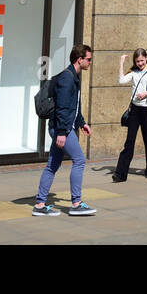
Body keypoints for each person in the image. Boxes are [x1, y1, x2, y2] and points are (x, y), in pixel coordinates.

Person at [32, 44, 95, 216]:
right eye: (88, 59)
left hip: (63, 127)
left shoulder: (74, 76)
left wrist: (82, 123)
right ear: (79, 59)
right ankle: (76, 203)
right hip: (62, 129)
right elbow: (62, 107)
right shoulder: (67, 78)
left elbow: (74, 105)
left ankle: (39, 205)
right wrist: (61, 132)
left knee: (53, 164)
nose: (90, 62)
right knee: (80, 160)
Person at [112, 48, 147, 181]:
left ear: (146, 58)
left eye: (142, 60)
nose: (140, 63)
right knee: (129, 141)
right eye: (137, 61)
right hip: (134, 109)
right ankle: (120, 174)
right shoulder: (134, 72)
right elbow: (121, 81)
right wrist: (121, 63)